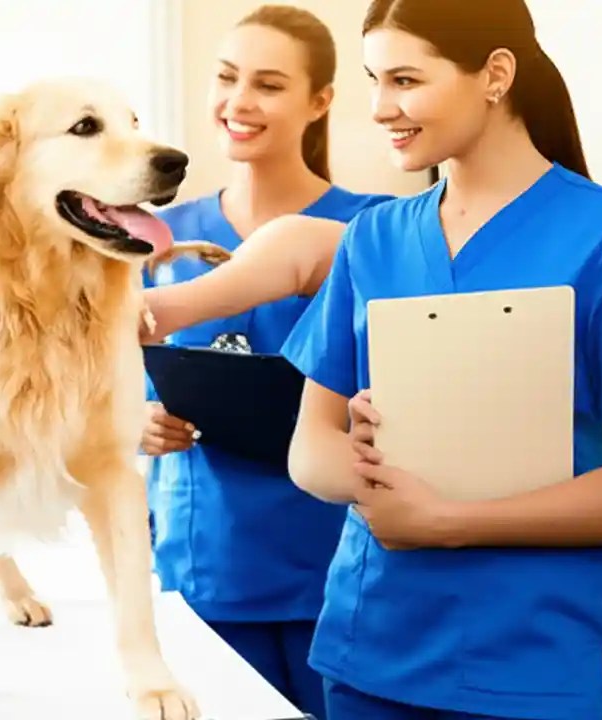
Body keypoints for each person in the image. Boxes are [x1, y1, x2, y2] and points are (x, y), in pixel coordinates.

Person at [274, 1, 602, 718]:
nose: (380, 108)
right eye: (374, 80)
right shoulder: (371, 239)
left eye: (405, 79)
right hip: (366, 657)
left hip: (529, 672)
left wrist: (449, 520)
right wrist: (375, 462)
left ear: (496, 74)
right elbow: (308, 450)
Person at [140, 6, 392, 717]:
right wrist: (139, 423)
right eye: (227, 77)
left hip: (338, 566)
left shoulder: (375, 231)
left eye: (269, 84)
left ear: (320, 102)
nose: (239, 101)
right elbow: (101, 392)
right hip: (203, 567)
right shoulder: (158, 236)